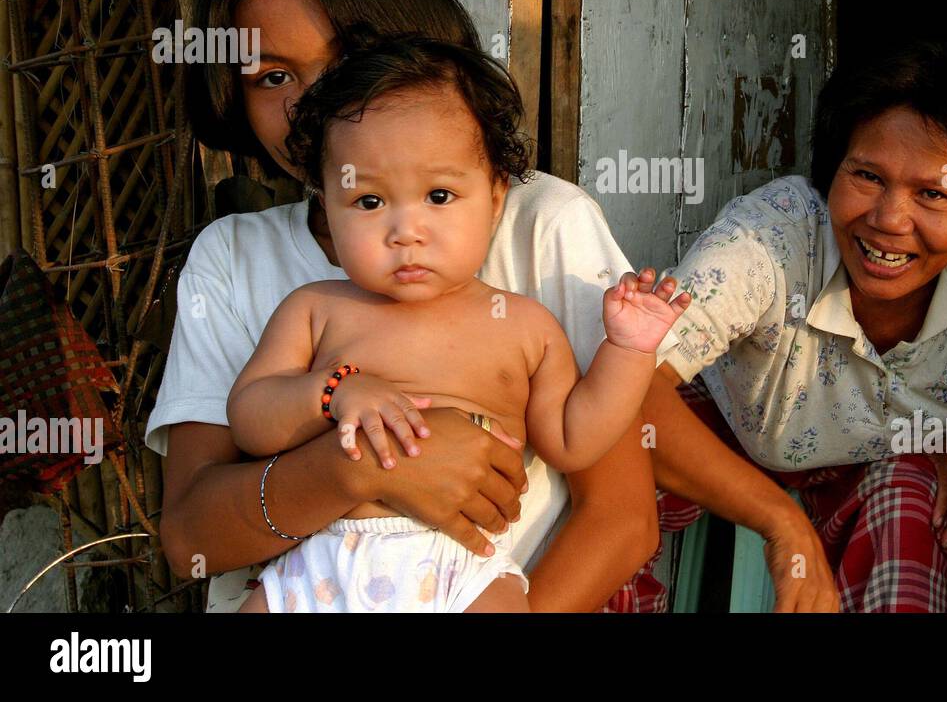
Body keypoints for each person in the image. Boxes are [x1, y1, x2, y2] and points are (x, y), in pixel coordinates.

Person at [146, 0, 664, 612]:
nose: (315, 105)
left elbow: (621, 517)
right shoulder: (234, 262)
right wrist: (354, 470)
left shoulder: (543, 224)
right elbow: (192, 536)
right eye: (271, 77)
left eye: (350, 55)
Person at [615, 42, 947, 612]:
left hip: (878, 466)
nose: (889, 220)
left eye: (932, 193)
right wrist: (780, 522)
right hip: (734, 425)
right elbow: (631, 386)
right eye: (867, 175)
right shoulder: (773, 239)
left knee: (917, 496)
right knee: (608, 460)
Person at [226, 32, 689, 612]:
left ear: (496, 199)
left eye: (439, 195)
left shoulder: (524, 327)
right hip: (323, 557)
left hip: (457, 567)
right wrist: (335, 390)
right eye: (369, 202)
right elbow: (251, 420)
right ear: (326, 205)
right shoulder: (316, 309)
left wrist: (628, 349)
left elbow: (575, 439)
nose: (406, 230)